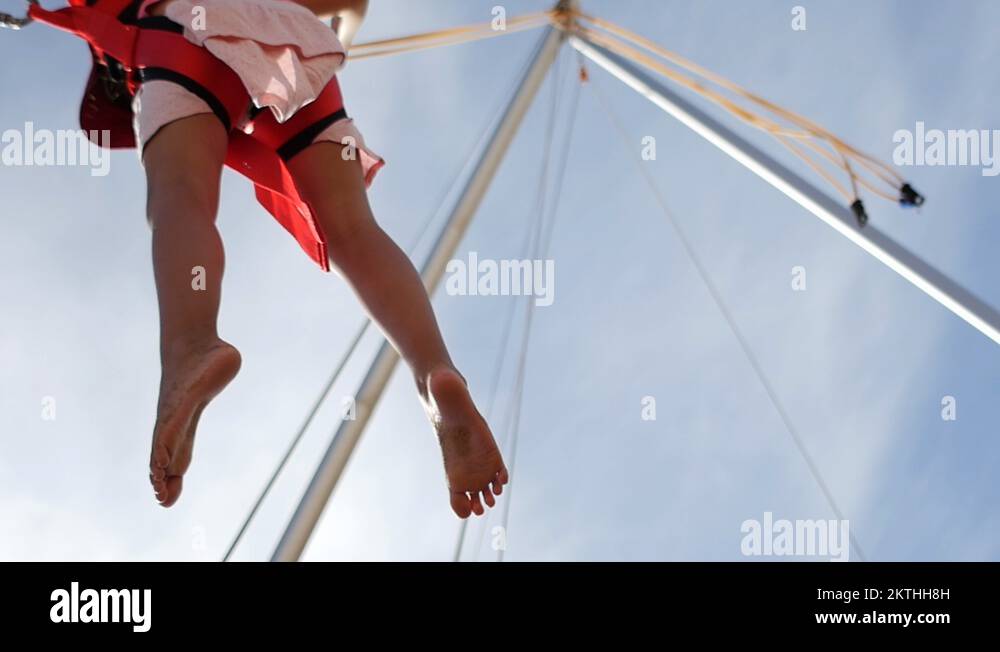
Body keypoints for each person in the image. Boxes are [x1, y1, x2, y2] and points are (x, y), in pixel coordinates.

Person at [137, 0, 507, 517]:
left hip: (190, 31)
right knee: (355, 230)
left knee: (181, 197)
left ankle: (191, 345)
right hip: (301, 49)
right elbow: (353, 3)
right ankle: (434, 373)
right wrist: (330, 43)